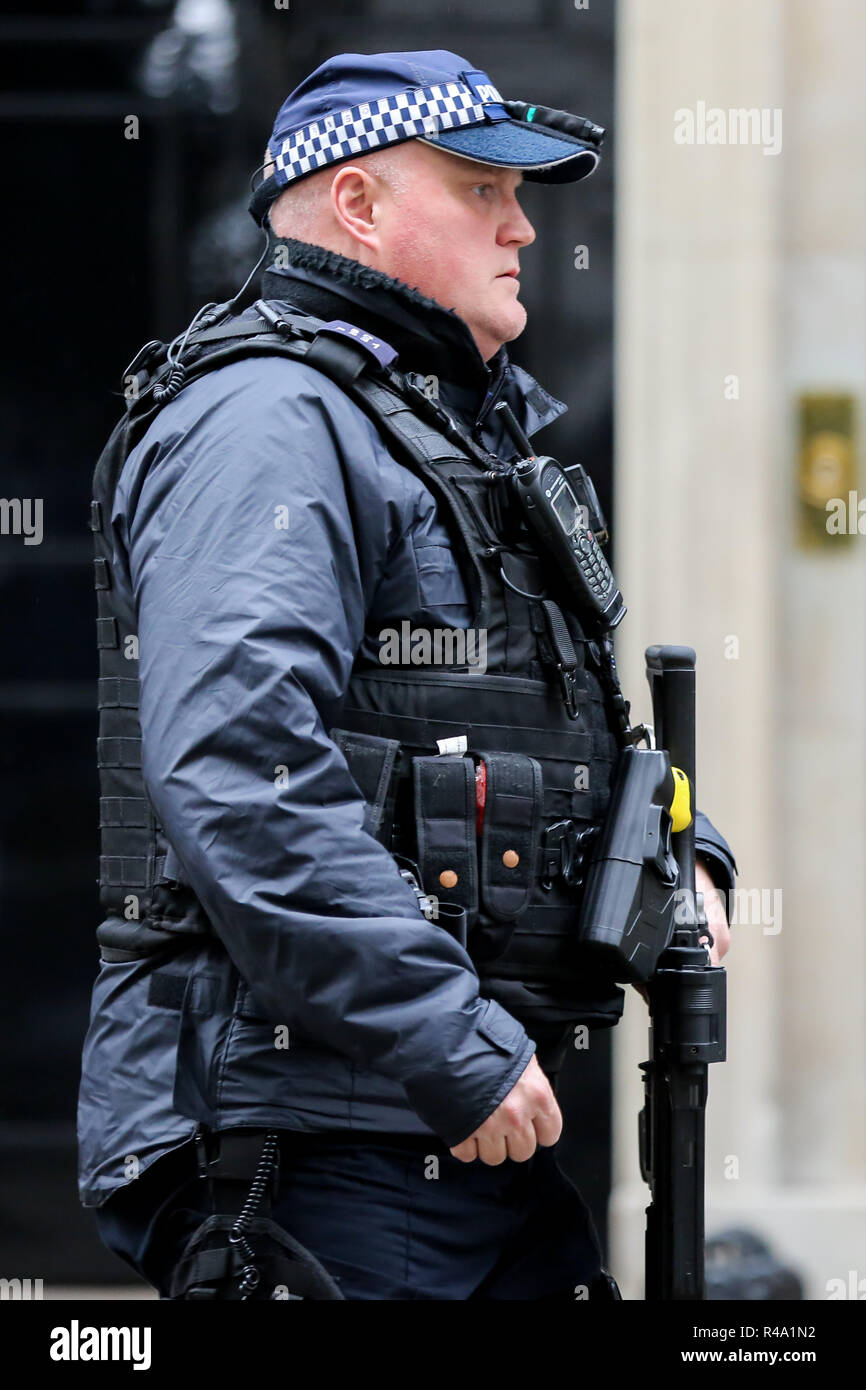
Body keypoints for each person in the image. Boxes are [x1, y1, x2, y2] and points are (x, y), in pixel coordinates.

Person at [78, 49, 736, 1300]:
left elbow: (533, 731)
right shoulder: (269, 419)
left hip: (441, 1124)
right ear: (359, 206)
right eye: (482, 187)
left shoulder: (433, 431)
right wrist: (447, 1041)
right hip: (313, 1140)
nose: (525, 224)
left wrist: (682, 859)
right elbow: (239, 770)